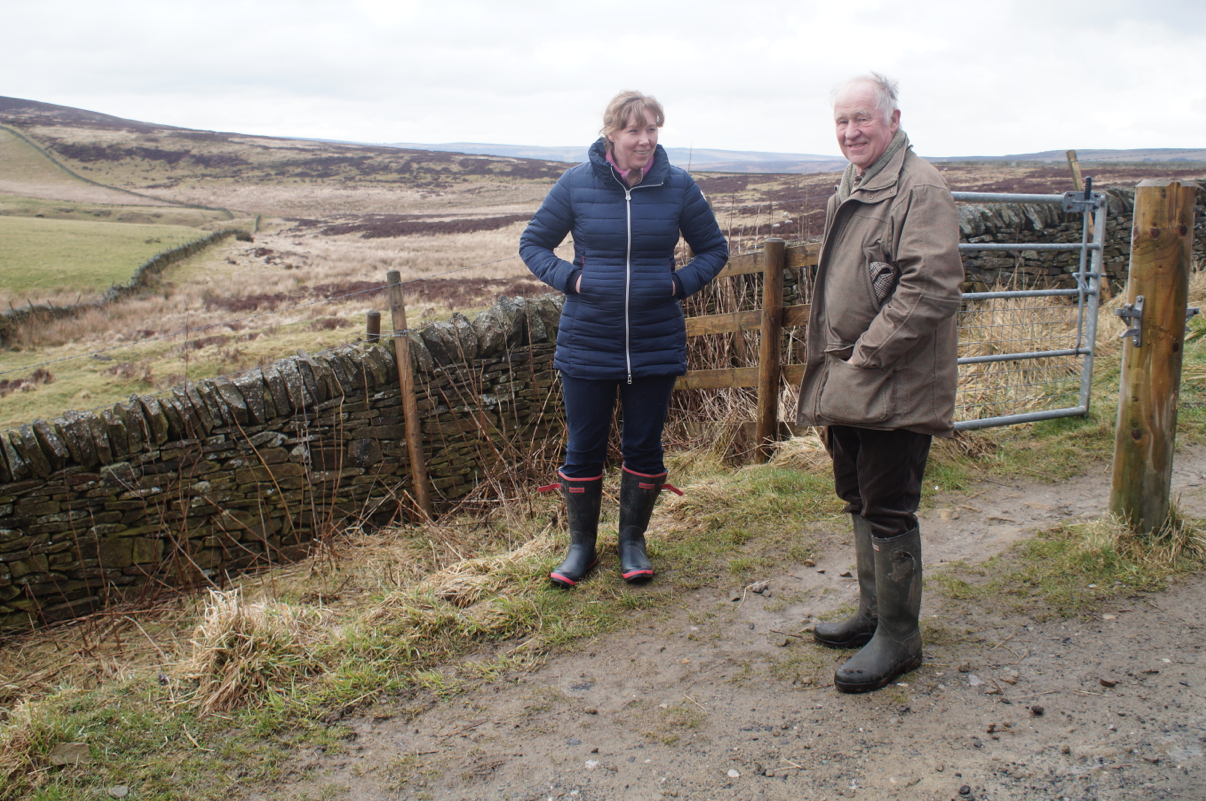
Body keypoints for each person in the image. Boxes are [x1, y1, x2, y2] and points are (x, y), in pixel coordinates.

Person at [520, 90, 728, 589]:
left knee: (644, 447)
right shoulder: (576, 183)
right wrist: (574, 280)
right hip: (588, 340)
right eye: (634, 130)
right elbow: (533, 243)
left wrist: (676, 286)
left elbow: (713, 250)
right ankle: (581, 548)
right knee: (583, 449)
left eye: (652, 129)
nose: (645, 140)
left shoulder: (678, 185)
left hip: (655, 342)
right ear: (611, 133)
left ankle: (633, 542)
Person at [796, 73, 963, 693]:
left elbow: (931, 287)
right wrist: (846, 364)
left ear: (893, 119)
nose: (850, 131)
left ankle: (899, 636)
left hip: (894, 381)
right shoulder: (856, 181)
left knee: (889, 504)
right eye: (842, 121)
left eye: (862, 118)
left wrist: (866, 354)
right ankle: (873, 614)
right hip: (851, 376)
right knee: (859, 495)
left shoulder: (920, 188)